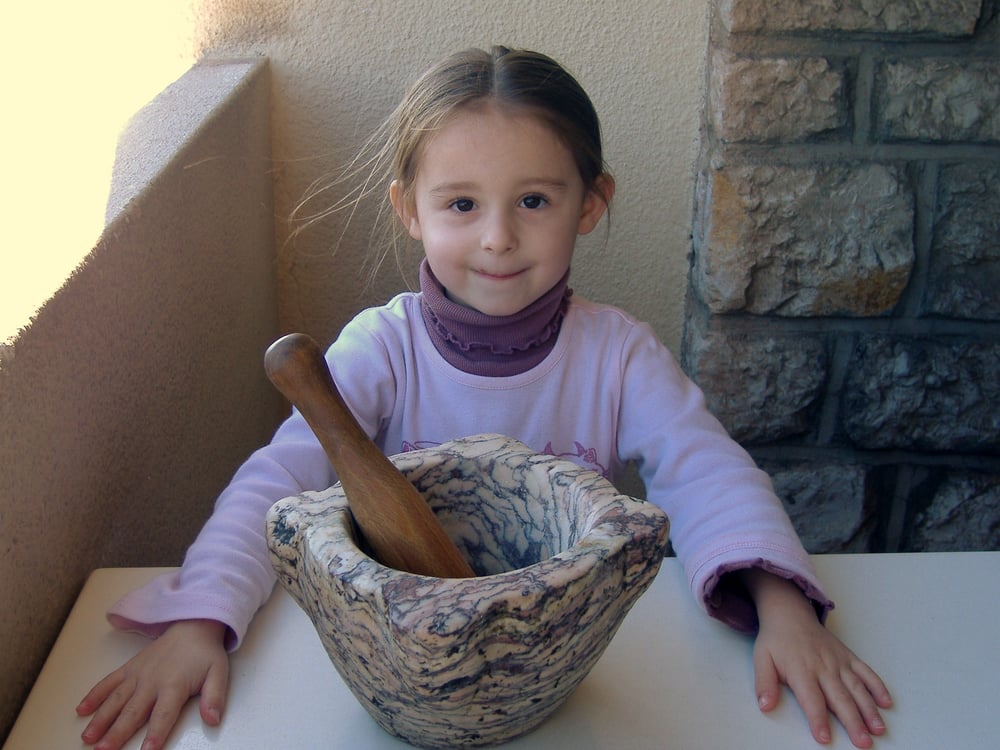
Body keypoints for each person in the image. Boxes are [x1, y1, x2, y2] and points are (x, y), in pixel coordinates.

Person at [77, 46, 892, 750]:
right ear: (409, 210)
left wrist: (783, 606)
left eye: (534, 201)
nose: (498, 237)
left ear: (591, 204)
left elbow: (707, 470)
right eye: (461, 204)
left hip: (558, 683)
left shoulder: (616, 355)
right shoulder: (381, 351)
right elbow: (275, 483)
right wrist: (201, 619)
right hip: (402, 680)